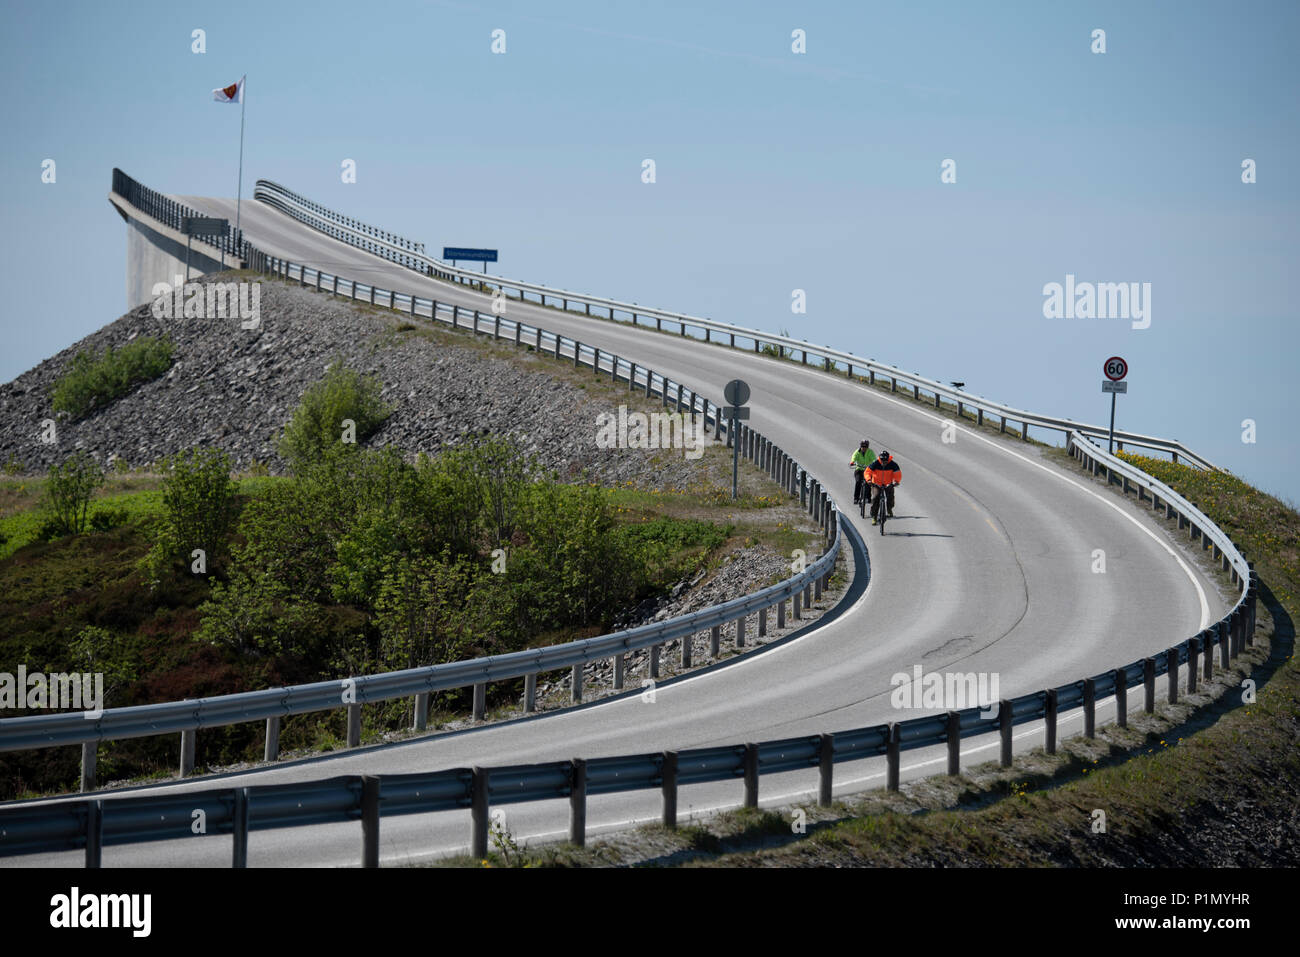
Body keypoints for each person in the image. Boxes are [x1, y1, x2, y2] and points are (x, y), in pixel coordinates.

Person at [869, 450, 901, 521]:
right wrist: (869, 480)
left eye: (885, 460)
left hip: (888, 484)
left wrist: (896, 481)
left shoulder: (893, 464)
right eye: (882, 460)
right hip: (876, 484)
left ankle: (889, 509)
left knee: (890, 497)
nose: (884, 462)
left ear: (888, 459)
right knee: (875, 497)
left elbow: (898, 474)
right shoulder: (875, 463)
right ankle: (874, 516)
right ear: (880, 459)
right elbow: (867, 472)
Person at [849, 439, 876, 506]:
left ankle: (868, 497)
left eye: (865, 447)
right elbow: (854, 457)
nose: (864, 448)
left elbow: (874, 459)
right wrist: (852, 462)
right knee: (858, 482)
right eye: (862, 446)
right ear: (860, 446)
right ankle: (856, 498)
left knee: (869, 482)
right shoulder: (857, 452)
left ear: (867, 447)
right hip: (859, 469)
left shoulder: (870, 452)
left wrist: (874, 464)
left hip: (868, 470)